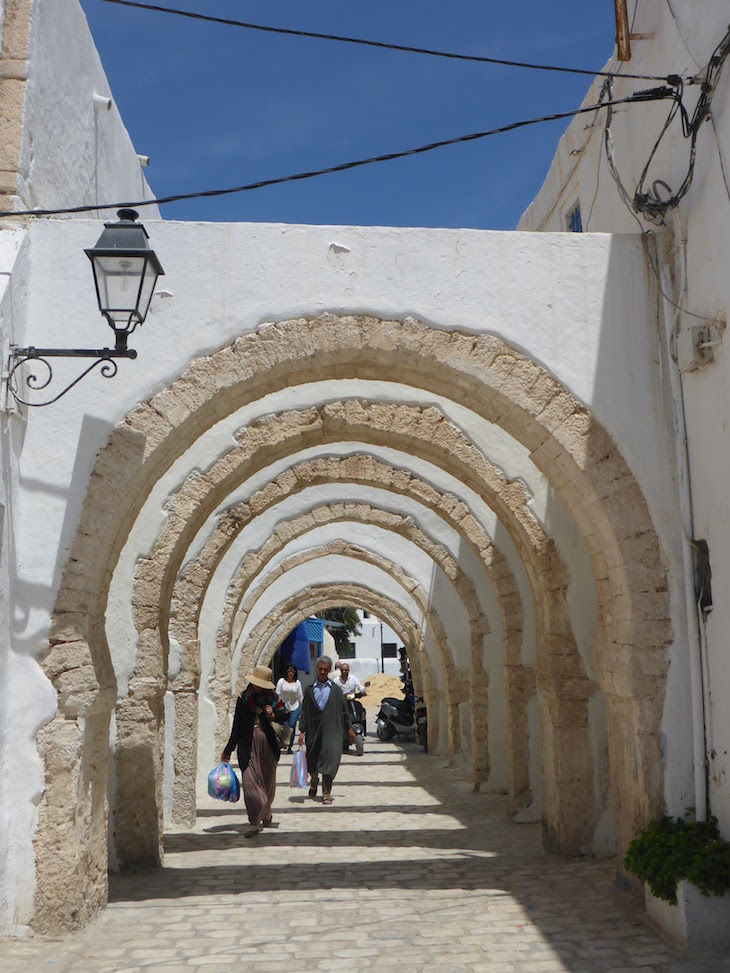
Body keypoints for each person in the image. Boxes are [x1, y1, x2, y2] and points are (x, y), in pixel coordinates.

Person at [221, 664, 288, 837]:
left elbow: (284, 715)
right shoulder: (244, 699)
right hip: (247, 747)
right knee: (250, 783)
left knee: (267, 782)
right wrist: (229, 749)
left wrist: (272, 714)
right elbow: (237, 726)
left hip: (268, 748)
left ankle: (265, 813)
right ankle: (253, 820)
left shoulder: (272, 698)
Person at [299, 655, 354, 805]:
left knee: (330, 759)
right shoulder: (309, 690)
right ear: (316, 670)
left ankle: (326, 793)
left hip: (331, 731)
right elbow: (304, 711)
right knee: (313, 759)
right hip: (313, 731)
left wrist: (349, 728)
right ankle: (314, 781)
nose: (322, 672)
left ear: (329, 670)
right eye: (320, 669)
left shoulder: (336, 690)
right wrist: (302, 731)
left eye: (325, 669)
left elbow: (344, 711)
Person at [275, 664, 304, 752]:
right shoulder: (281, 681)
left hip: (295, 706)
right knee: (285, 725)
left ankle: (290, 745)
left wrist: (304, 707)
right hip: (284, 706)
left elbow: (300, 695)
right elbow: (277, 694)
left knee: (292, 724)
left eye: (292, 672)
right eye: (289, 671)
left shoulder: (297, 683)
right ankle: (284, 741)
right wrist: (280, 707)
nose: (290, 673)